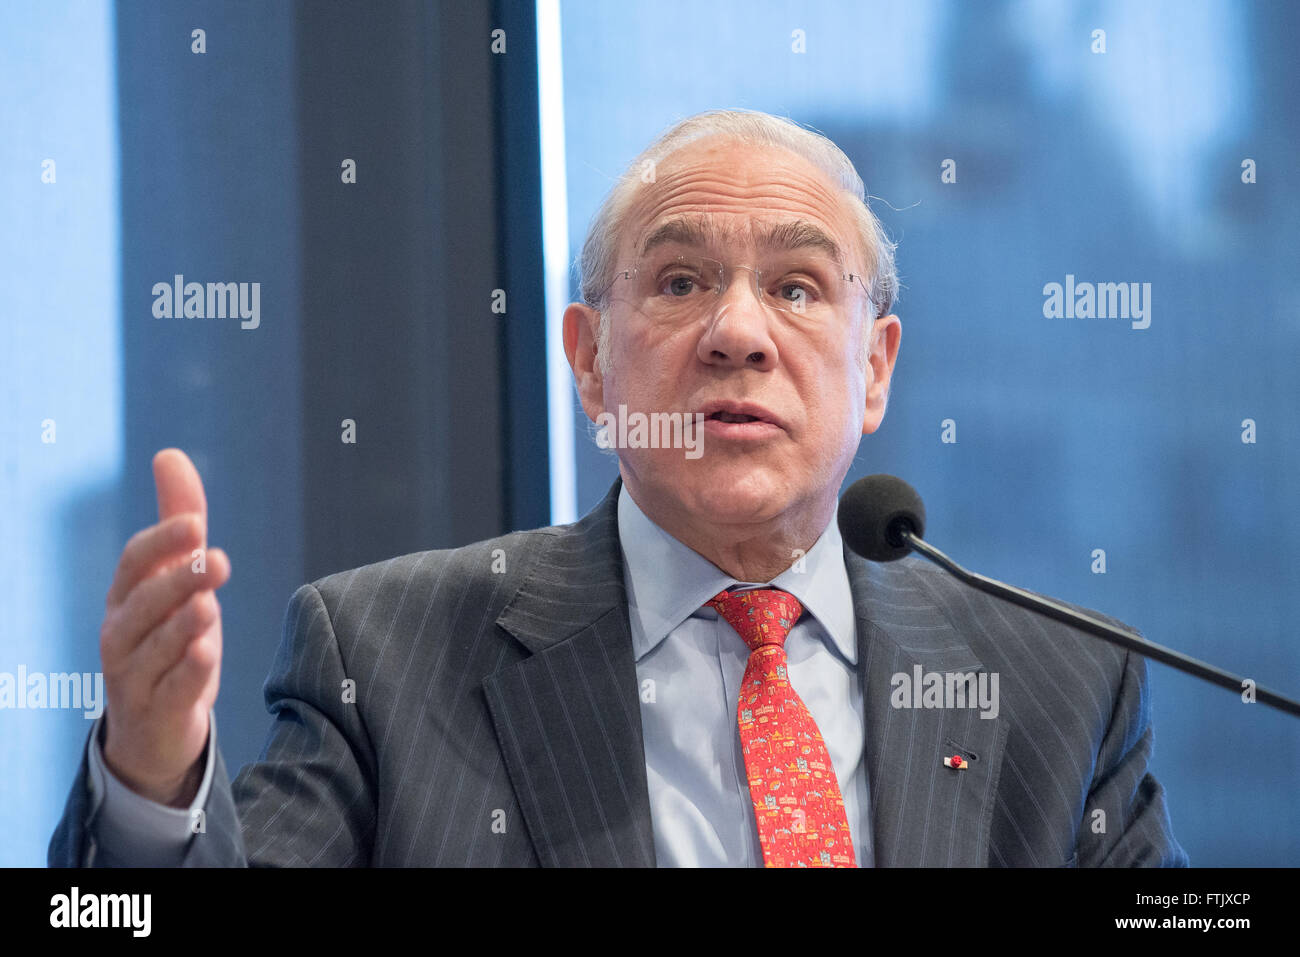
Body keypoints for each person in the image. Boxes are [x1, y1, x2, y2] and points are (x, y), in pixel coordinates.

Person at [49, 108, 1187, 867]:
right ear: (591, 361)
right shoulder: (383, 658)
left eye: (795, 288)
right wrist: (152, 785)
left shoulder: (1059, 682)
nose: (738, 333)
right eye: (681, 280)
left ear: (874, 364)